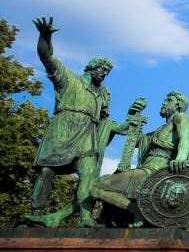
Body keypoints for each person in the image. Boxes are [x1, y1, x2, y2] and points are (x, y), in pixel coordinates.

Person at [27, 17, 142, 227]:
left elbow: (106, 123)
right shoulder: (68, 80)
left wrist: (124, 127)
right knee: (47, 172)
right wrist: (45, 36)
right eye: (102, 70)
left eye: (107, 72)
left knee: (88, 177)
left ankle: (86, 217)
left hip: (87, 138)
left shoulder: (103, 94)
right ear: (92, 67)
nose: (105, 75)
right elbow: (47, 56)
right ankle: (37, 212)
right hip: (62, 131)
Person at [88, 91, 189, 227]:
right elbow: (136, 141)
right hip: (144, 170)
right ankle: (136, 212)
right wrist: (133, 116)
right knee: (98, 185)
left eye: (168, 100)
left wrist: (181, 158)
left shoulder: (180, 117)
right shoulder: (160, 129)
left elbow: (186, 138)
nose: (163, 103)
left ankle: (138, 212)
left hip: (154, 173)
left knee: (95, 188)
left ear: (178, 105)